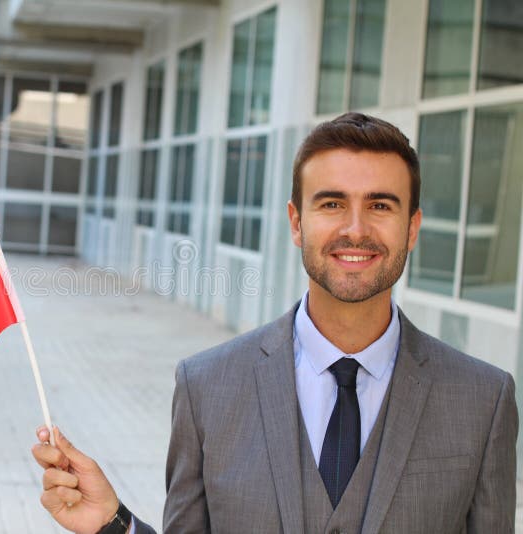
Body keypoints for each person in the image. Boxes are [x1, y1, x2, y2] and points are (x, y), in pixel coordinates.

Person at [31, 113, 518, 534]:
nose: (355, 229)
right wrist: (113, 523)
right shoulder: (206, 388)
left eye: (380, 205)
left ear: (412, 227)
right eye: (331, 204)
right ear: (296, 222)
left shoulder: (482, 401)